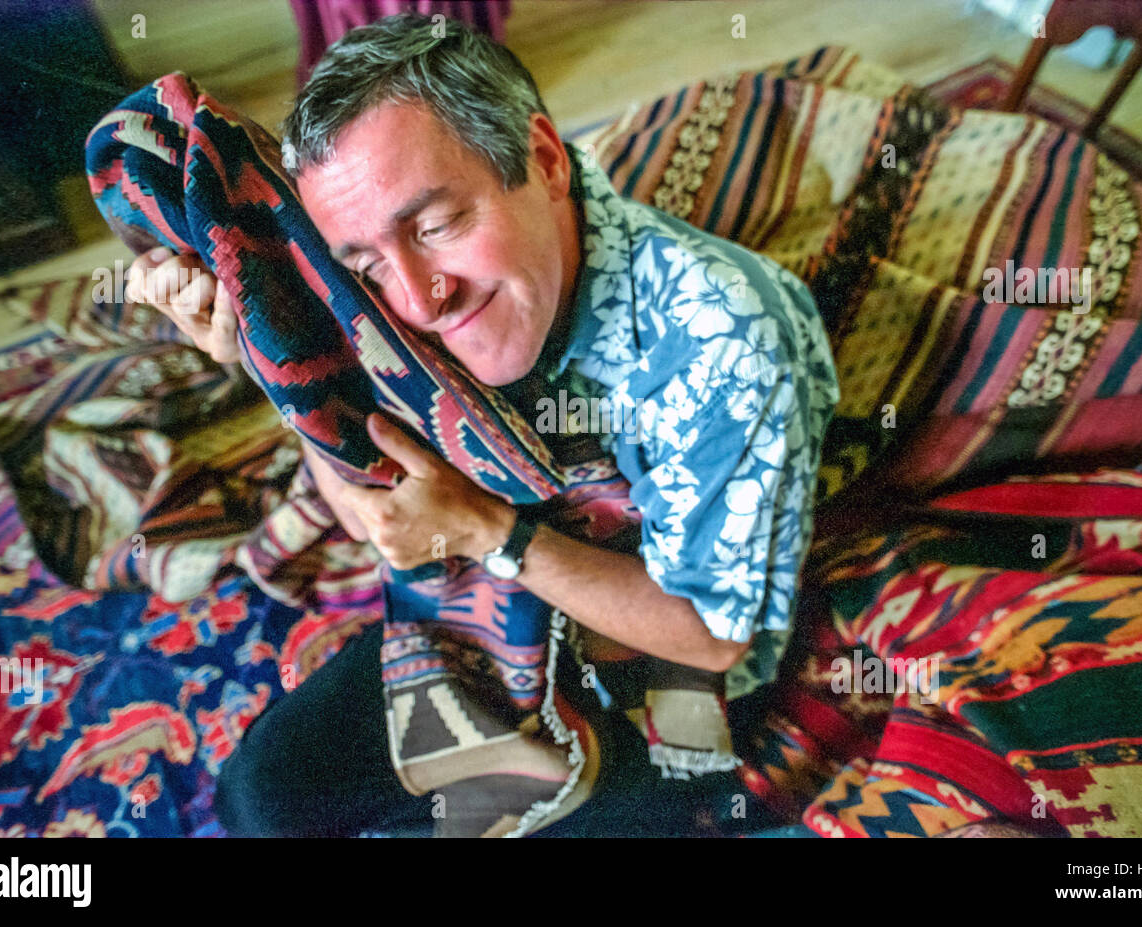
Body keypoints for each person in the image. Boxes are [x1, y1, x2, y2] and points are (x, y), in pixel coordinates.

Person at [126, 13, 838, 836]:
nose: (420, 298)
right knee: (263, 799)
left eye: (434, 225)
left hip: (661, 684)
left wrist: (485, 530)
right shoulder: (396, 293)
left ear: (542, 158)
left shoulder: (723, 341)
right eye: (366, 264)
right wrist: (265, 357)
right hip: (497, 612)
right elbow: (375, 511)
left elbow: (714, 637)